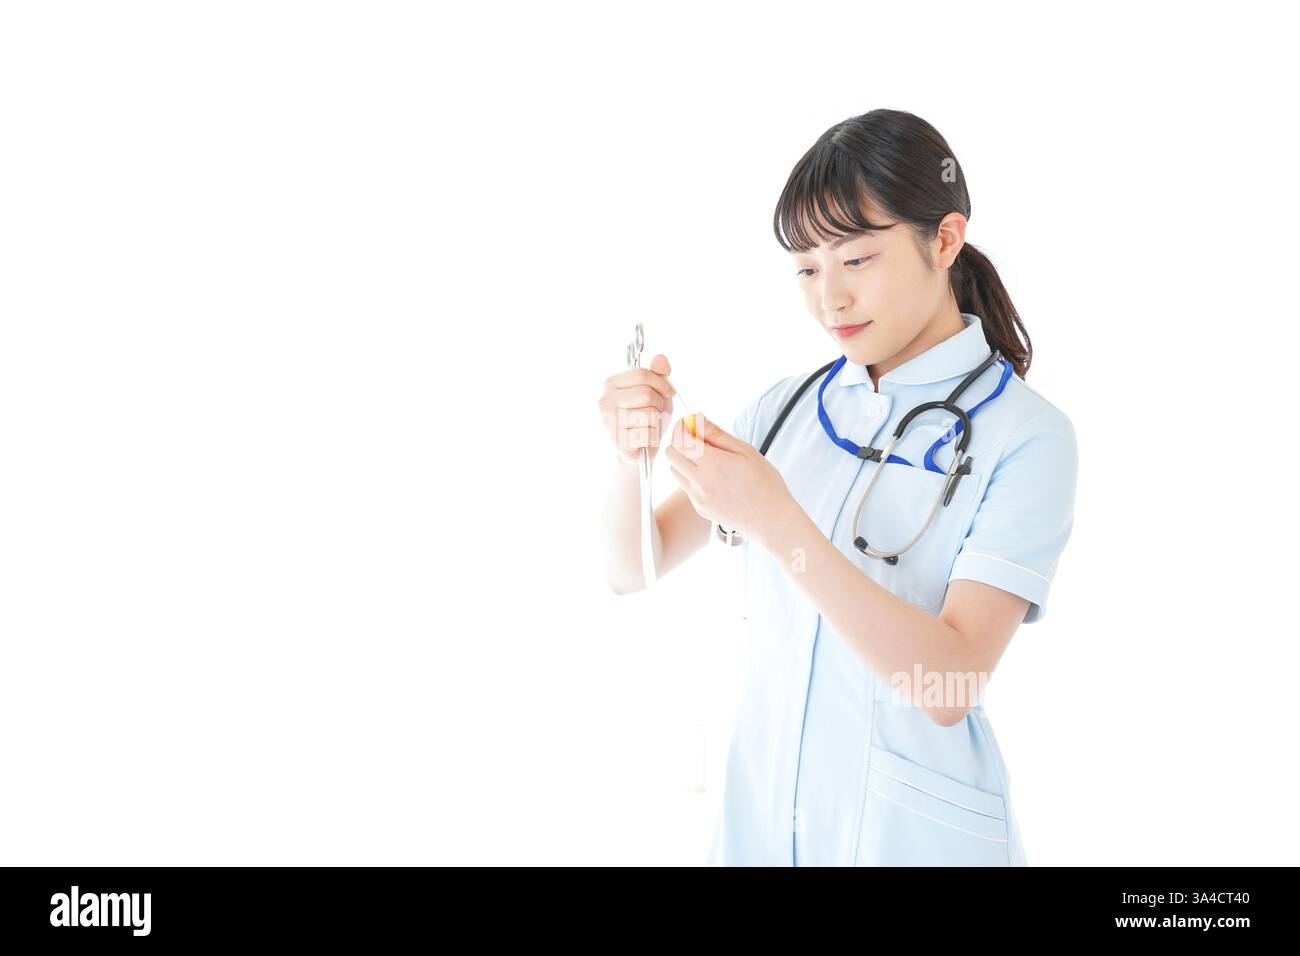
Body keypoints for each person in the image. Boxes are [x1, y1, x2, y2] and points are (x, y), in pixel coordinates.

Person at [596, 108, 1078, 866]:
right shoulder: (783, 411)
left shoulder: (1028, 436)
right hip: (760, 825)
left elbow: (948, 684)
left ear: (945, 240)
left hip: (914, 839)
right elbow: (632, 567)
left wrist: (778, 520)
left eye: (857, 260)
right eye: (807, 269)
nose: (831, 299)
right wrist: (634, 454)